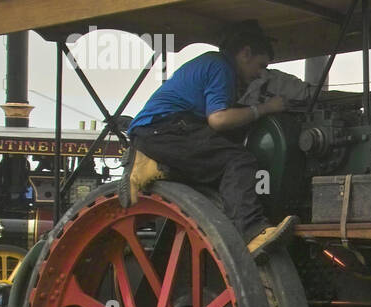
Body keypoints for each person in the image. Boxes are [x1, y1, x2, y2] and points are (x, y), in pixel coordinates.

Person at [124, 21, 296, 257]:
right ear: (245, 53)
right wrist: (265, 108)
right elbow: (218, 120)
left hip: (157, 131)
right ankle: (252, 232)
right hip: (164, 130)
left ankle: (156, 164)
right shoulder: (220, 67)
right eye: (260, 65)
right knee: (237, 161)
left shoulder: (213, 63)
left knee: (213, 164)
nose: (261, 74)